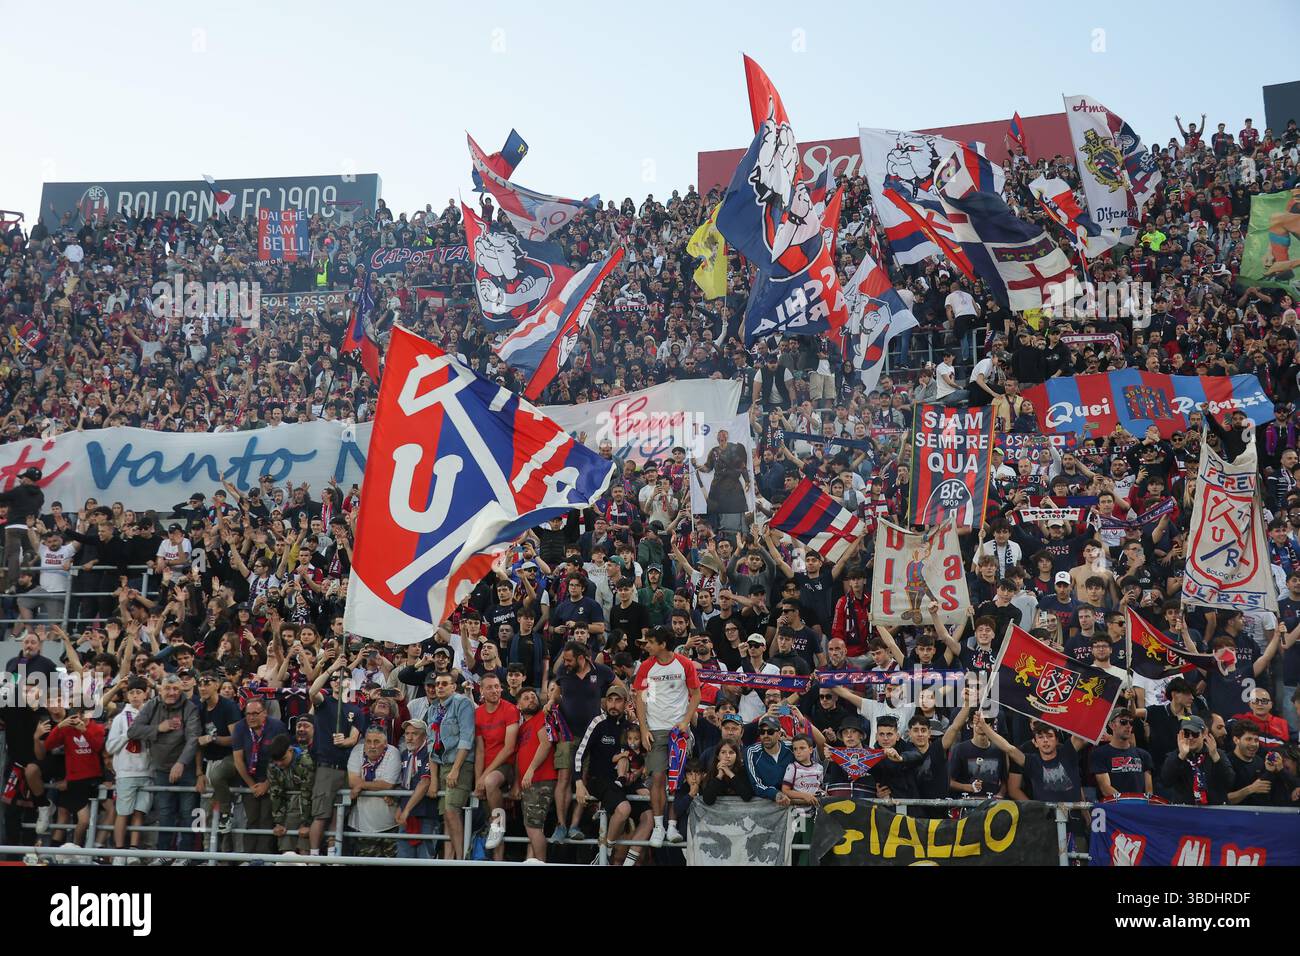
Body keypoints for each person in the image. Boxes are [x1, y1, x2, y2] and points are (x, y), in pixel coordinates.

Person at [631, 626, 701, 847]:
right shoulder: (646, 666)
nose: (647, 645)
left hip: (678, 730)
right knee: (658, 778)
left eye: (650, 642)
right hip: (655, 729)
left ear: (662, 644)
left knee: (677, 781)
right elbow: (641, 699)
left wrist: (686, 720)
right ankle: (659, 826)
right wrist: (643, 730)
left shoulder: (684, 663)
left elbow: (696, 694)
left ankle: (672, 826)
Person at [126, 673, 200, 860]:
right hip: (160, 768)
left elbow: (193, 740)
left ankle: (185, 856)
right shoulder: (152, 705)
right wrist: (159, 728)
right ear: (160, 689)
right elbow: (132, 731)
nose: (172, 692)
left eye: (176, 689)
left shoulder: (190, 708)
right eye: (168, 688)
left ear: (181, 689)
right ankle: (164, 855)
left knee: (187, 813)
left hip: (186, 768)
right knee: (165, 813)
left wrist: (181, 763)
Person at [425, 672, 475, 858]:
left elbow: (466, 738)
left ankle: (462, 859)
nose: (439, 686)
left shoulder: (462, 703)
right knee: (446, 816)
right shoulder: (432, 709)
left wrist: (455, 770)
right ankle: (447, 860)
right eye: (437, 684)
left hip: (459, 765)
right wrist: (433, 779)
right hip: (442, 765)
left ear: (454, 687)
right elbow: (432, 744)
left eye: (444, 683)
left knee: (452, 811)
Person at [228, 698, 287, 856]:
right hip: (250, 781)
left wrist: (267, 784)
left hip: (273, 779)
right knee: (252, 819)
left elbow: (281, 758)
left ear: (265, 713)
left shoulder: (277, 727)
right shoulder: (240, 727)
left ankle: (264, 857)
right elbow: (238, 759)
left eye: (255, 713)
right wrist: (251, 785)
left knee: (267, 819)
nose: (251, 717)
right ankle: (249, 856)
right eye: (248, 714)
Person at [473, 672, 520, 858]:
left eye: (497, 686)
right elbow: (479, 751)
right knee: (491, 824)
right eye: (490, 687)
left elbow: (509, 748)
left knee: (491, 782)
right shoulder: (477, 713)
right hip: (486, 767)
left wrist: (484, 777)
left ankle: (497, 824)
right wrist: (478, 780)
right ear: (482, 691)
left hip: (506, 766)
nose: (494, 690)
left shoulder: (510, 709)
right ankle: (497, 861)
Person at [512, 687, 558, 862]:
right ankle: (531, 862)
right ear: (518, 705)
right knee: (531, 826)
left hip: (541, 779)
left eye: (533, 697)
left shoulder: (541, 717)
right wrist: (517, 781)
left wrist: (530, 771)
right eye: (526, 698)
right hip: (529, 782)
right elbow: (518, 756)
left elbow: (545, 744)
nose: (531, 699)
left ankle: (540, 863)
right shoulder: (522, 726)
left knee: (533, 827)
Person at [346, 725, 401, 857]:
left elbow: (387, 784)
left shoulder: (393, 752)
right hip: (361, 824)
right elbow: (352, 781)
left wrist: (361, 786)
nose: (372, 746)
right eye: (368, 741)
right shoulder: (357, 750)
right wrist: (368, 785)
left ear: (385, 743)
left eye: (377, 742)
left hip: (388, 824)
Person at [1158, 715, 1233, 805]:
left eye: (1195, 733)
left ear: (1204, 734)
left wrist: (1215, 758)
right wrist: (1181, 756)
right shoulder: (1175, 756)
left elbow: (1229, 782)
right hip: (1186, 812)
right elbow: (1166, 781)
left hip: (1214, 810)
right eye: (1186, 734)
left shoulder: (1217, 754)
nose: (1190, 737)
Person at [393, 718, 439, 860]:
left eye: (415, 734)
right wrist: (400, 808)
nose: (410, 737)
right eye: (407, 733)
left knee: (424, 858)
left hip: (426, 814)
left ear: (424, 736)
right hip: (407, 816)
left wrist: (406, 809)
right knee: (403, 858)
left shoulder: (429, 753)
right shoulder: (405, 754)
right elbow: (403, 784)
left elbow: (425, 783)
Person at [266, 733, 315, 853]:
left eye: (282, 759)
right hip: (289, 808)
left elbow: (307, 793)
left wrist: (307, 823)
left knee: (305, 846)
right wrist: (278, 822)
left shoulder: (305, 762)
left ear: (290, 750)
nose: (280, 764)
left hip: (310, 806)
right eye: (276, 761)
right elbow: (275, 793)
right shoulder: (273, 766)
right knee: (286, 848)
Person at [1090, 710, 1154, 798]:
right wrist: (1128, 804)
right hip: (1114, 809)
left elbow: (1149, 791)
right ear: (1112, 725)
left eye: (1131, 722)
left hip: (1140, 808)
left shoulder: (1144, 755)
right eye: (1123, 722)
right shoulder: (1099, 754)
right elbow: (1105, 788)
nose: (1128, 726)